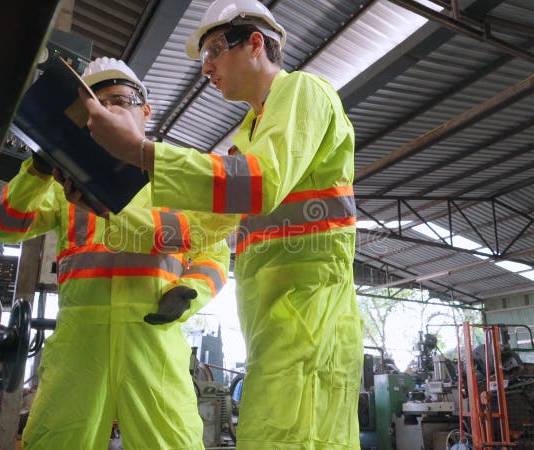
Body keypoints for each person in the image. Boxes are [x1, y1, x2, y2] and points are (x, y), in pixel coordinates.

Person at [76, 0, 364, 447]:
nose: (205, 68)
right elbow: (199, 231)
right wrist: (105, 206)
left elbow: (261, 183)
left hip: (311, 320)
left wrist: (142, 153)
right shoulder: (249, 132)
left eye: (212, 51)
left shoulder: (305, 92)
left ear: (254, 43)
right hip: (276, 324)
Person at [0, 57, 230, 450]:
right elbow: (4, 227)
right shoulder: (58, 180)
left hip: (153, 343)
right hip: (79, 352)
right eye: (97, 105)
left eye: (120, 99)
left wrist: (190, 291)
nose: (109, 110)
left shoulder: (174, 176)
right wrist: (36, 168)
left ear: (146, 111)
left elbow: (215, 253)